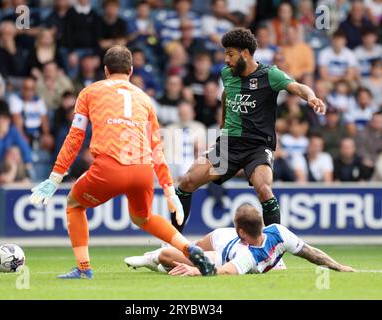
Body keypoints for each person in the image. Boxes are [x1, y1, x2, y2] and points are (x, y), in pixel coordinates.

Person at [29, 45, 216, 279]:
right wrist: (169, 190)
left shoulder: (89, 92)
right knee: (143, 217)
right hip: (142, 171)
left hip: (109, 168)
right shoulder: (145, 99)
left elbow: (75, 138)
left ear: (105, 70)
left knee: (74, 205)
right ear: (131, 70)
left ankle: (84, 269)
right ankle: (189, 248)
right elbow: (156, 147)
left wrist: (55, 178)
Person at [172, 28, 326, 235]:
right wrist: (223, 124)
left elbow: (298, 87)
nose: (226, 59)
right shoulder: (227, 74)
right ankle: (170, 244)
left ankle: (274, 251)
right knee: (187, 182)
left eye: (230, 54)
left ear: (245, 53)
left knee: (264, 189)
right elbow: (227, 95)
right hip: (229, 145)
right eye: (225, 53)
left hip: (257, 146)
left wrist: (312, 97)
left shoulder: (270, 74)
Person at [125, 204, 355, 275]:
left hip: (223, 253)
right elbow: (310, 252)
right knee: (188, 248)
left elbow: (223, 271)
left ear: (241, 231)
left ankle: (153, 257)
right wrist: (339, 266)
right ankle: (153, 254)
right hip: (220, 240)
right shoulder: (279, 231)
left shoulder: (247, 256)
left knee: (167, 256)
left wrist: (195, 271)